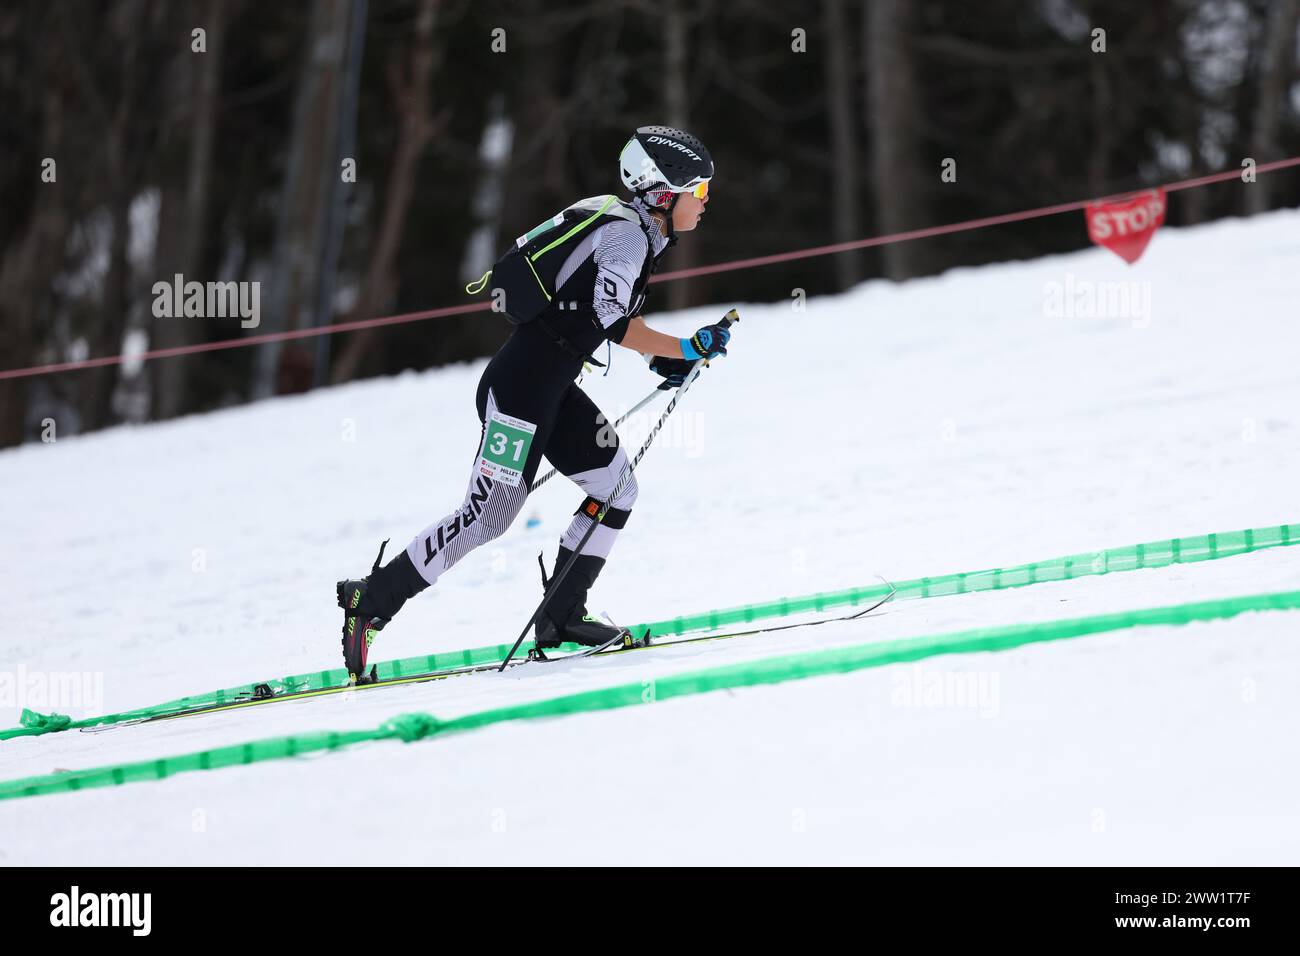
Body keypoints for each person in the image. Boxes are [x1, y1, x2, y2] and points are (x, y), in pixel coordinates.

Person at [336, 126, 733, 679]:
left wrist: (664, 358)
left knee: (616, 487)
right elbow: (611, 320)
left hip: (550, 389)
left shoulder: (633, 227)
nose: (706, 203)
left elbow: (596, 316)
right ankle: (371, 601)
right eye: (701, 191)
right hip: (520, 391)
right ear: (664, 191)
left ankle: (562, 618)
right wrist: (684, 347)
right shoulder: (628, 235)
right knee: (488, 517)